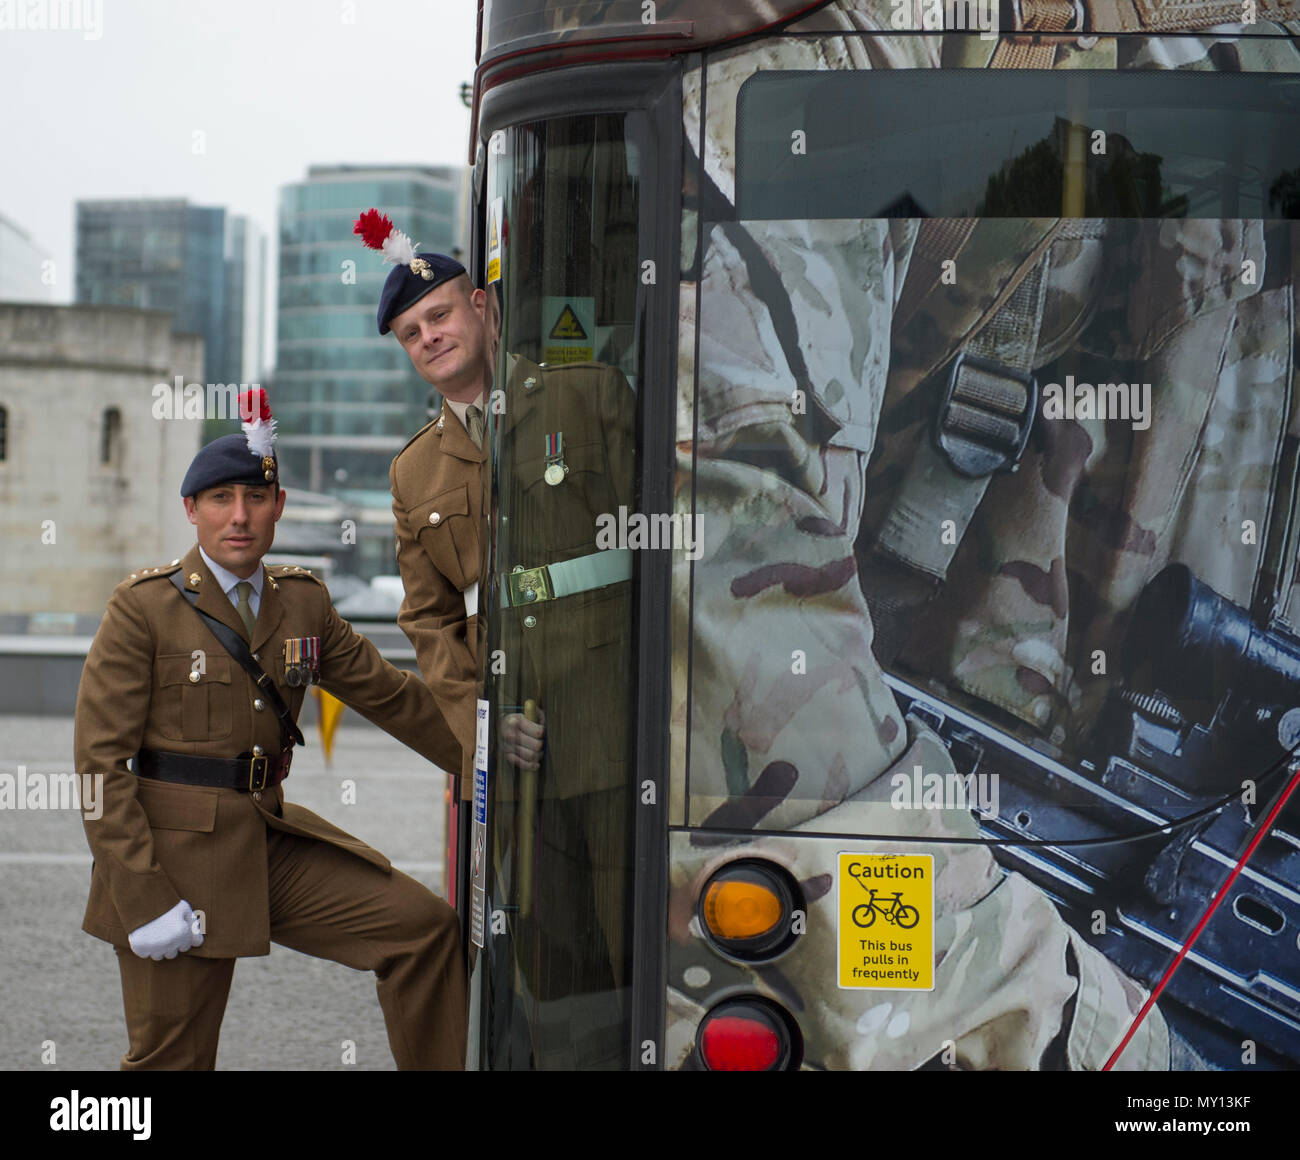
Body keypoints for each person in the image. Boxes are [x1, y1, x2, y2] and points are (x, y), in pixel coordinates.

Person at [75, 392, 467, 1070]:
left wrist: (489, 755)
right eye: (220, 499)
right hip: (173, 860)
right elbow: (98, 767)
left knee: (422, 931)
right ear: (191, 511)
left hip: (266, 839)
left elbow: (393, 698)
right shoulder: (144, 608)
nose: (239, 515)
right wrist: (144, 898)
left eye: (256, 498)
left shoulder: (304, 601)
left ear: (279, 506)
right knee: (173, 1060)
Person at [361, 210, 637, 1064]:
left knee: (642, 932)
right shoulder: (415, 471)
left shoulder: (585, 393)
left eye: (439, 315)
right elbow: (428, 619)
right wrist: (480, 714)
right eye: (412, 334)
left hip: (618, 718)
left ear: (482, 307)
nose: (429, 337)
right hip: (516, 751)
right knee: (550, 959)